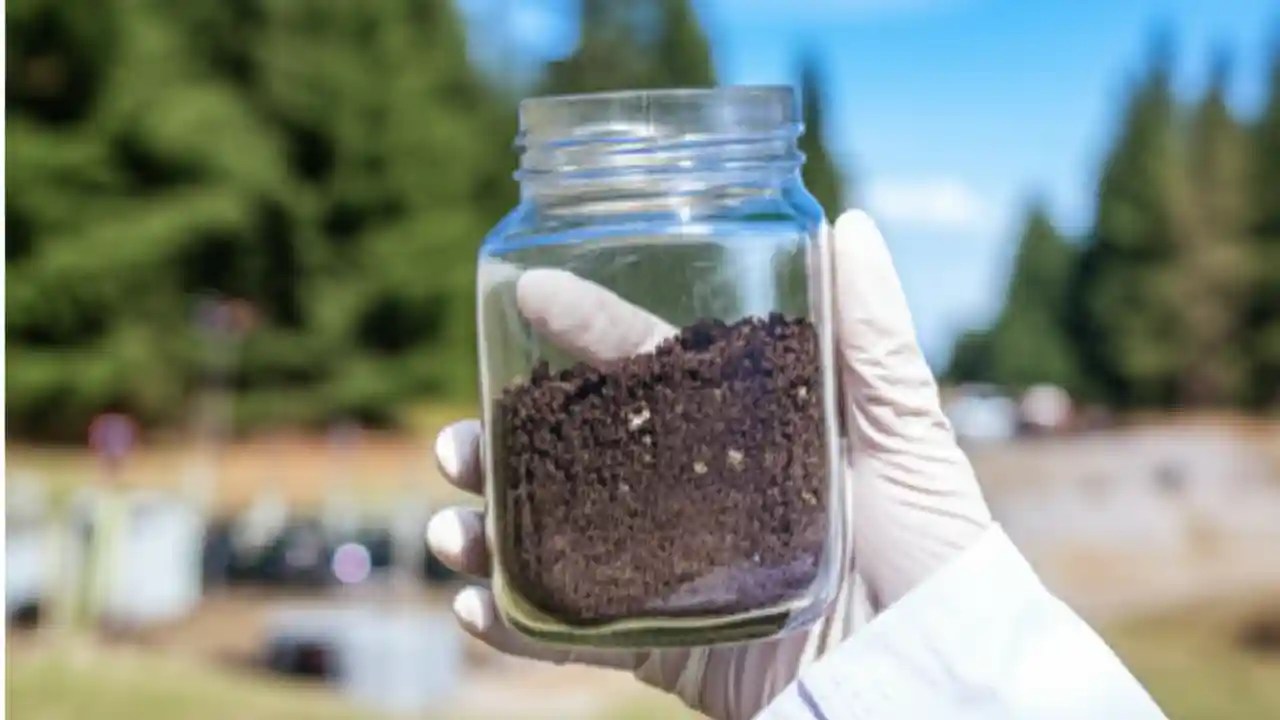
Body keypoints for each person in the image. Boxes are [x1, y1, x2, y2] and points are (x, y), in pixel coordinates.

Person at [426, 211, 1168, 719]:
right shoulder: (515, 246)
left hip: (817, 598)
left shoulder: (783, 230)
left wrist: (910, 634)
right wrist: (924, 673)